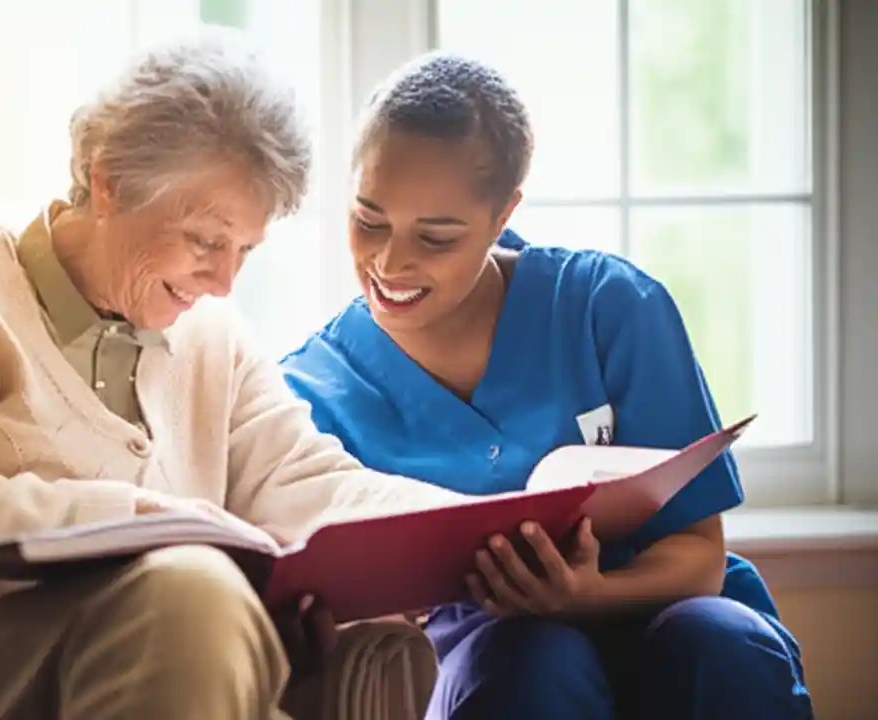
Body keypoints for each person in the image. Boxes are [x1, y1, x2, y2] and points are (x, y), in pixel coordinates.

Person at [0, 33, 463, 720]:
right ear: (109, 183)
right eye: (204, 240)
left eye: (245, 250)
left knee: (208, 609)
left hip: (136, 660)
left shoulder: (210, 337)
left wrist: (475, 532)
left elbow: (309, 480)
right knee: (190, 591)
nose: (224, 281)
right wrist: (138, 521)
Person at [280, 52, 813, 720]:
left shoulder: (608, 308)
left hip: (671, 620)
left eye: (437, 236)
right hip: (496, 664)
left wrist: (584, 595)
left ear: (504, 212)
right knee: (528, 662)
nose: (390, 261)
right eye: (369, 220)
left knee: (722, 645)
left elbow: (698, 555)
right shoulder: (309, 390)